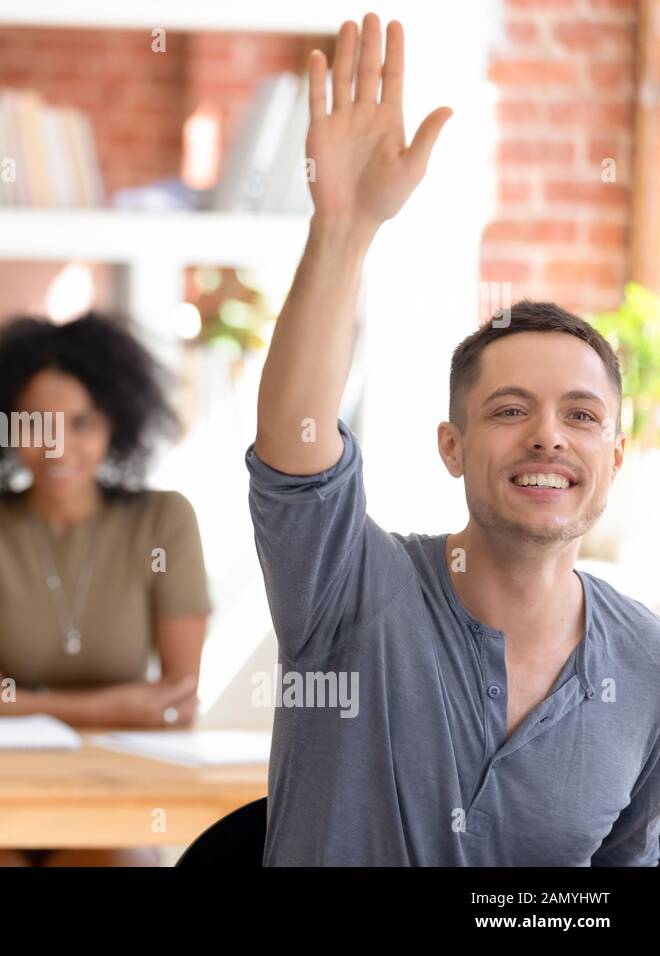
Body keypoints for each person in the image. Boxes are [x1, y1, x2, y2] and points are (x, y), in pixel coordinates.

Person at [250, 14, 659, 865]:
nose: (549, 437)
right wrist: (346, 228)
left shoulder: (649, 663)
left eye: (581, 416)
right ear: (451, 445)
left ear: (613, 460)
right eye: (510, 411)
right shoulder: (350, 590)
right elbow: (296, 448)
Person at [0, 311, 212, 865]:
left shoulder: (164, 521)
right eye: (34, 424)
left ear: (116, 423)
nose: (57, 446)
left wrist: (4, 702)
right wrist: (116, 706)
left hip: (111, 805)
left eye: (81, 423)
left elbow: (175, 706)